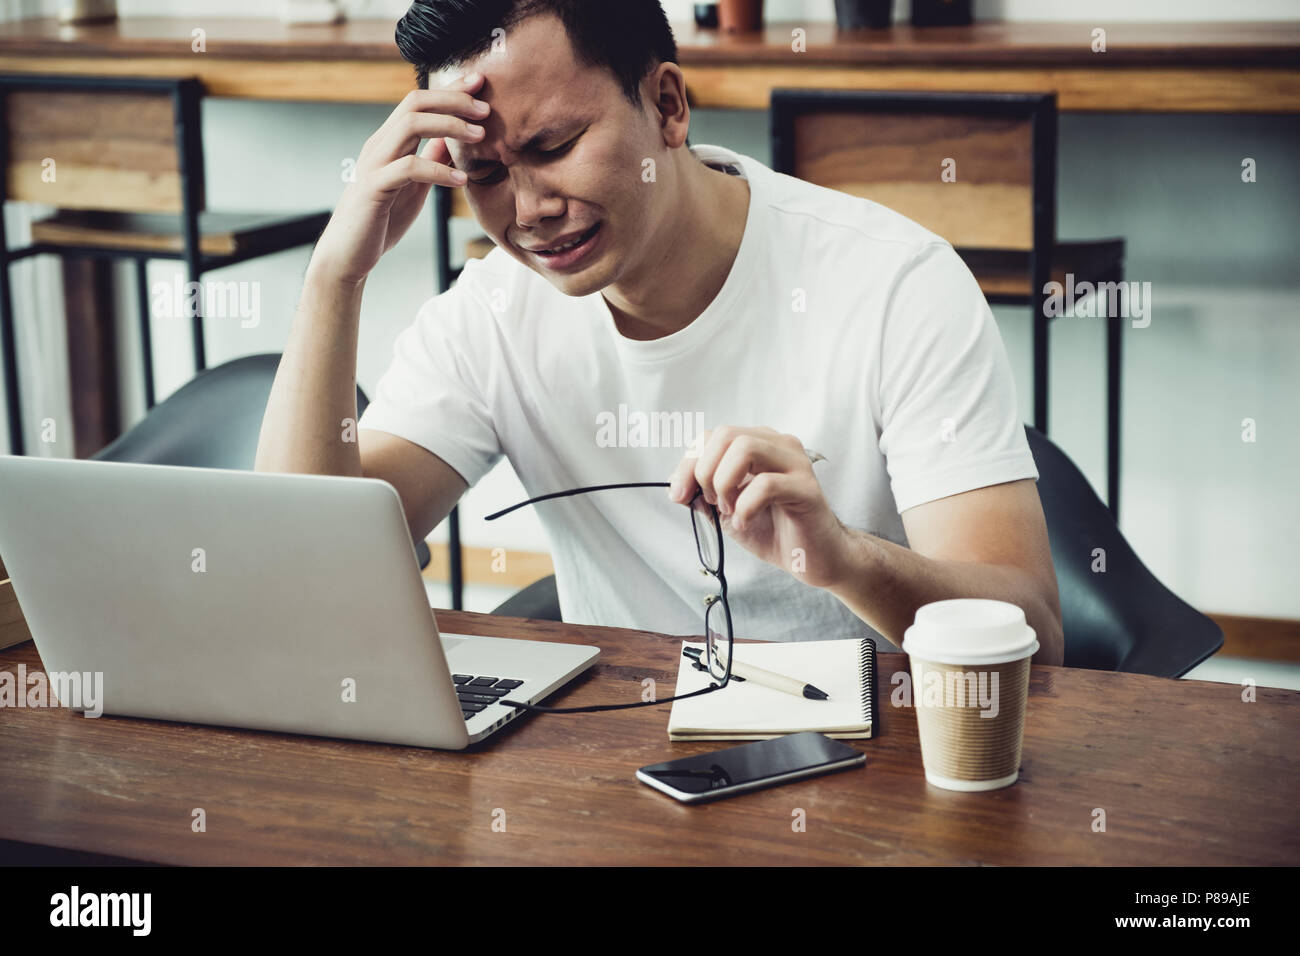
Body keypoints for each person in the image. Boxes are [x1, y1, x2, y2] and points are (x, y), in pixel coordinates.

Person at [255, 0, 1064, 664]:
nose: (529, 211)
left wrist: (845, 559)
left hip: (881, 760)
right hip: (619, 766)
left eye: (554, 146)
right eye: (488, 174)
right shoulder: (493, 309)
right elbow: (304, 572)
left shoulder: (894, 282)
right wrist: (335, 278)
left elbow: (1035, 633)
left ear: (668, 106)